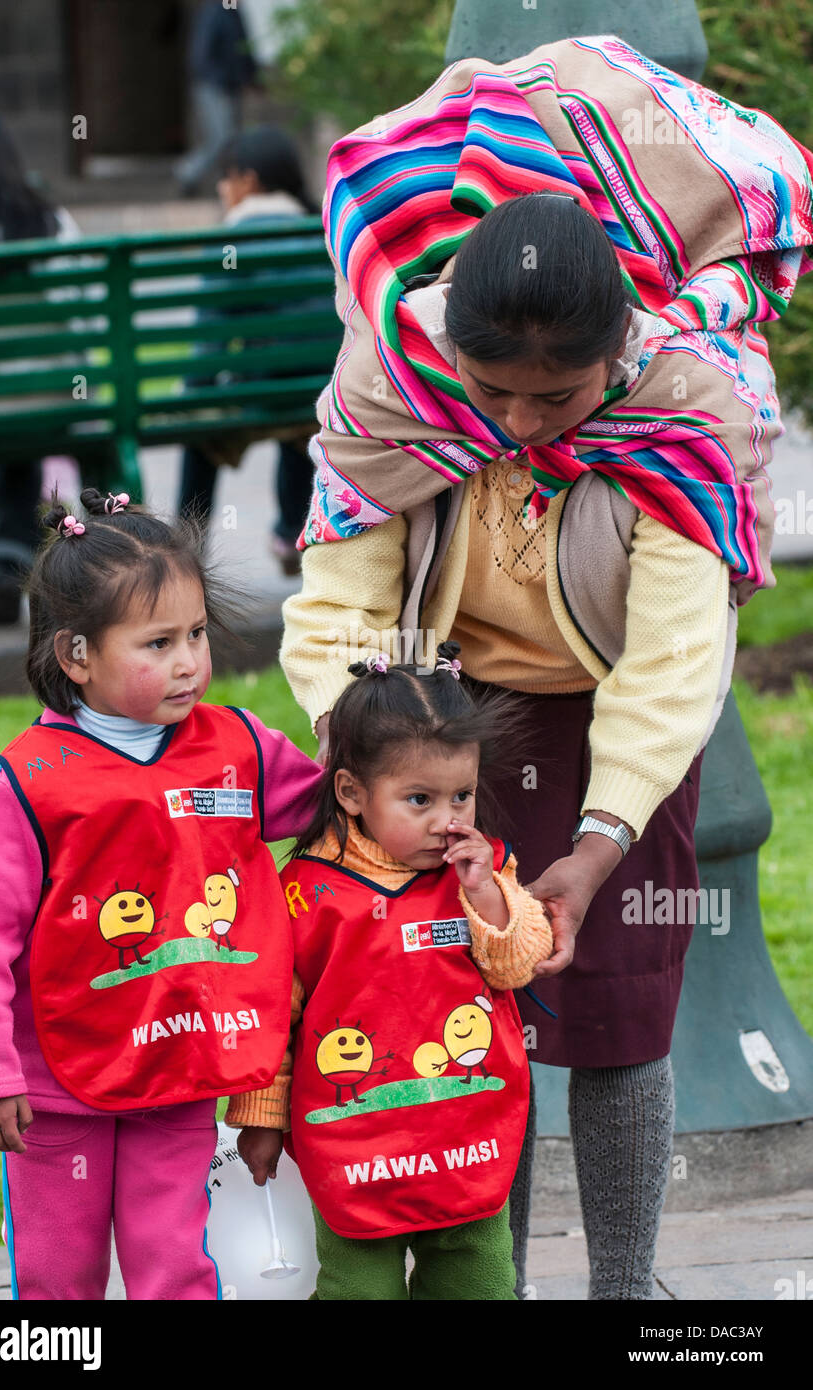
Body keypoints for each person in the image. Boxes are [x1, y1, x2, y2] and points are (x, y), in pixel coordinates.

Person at [275, 36, 813, 1298]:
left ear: (614, 350)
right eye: (494, 393)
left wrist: (597, 837)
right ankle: (492, 1286)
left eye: (556, 397)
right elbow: (341, 593)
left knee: (620, 1021)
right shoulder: (396, 377)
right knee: (466, 1024)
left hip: (618, 735)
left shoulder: (686, 402)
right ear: (447, 353)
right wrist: (388, 762)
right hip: (436, 729)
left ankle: (622, 1296)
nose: (518, 424)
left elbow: (678, 650)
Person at [0, 487, 324, 1300]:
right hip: (53, 1090)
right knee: (56, 1276)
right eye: (158, 642)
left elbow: (334, 814)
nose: (190, 660)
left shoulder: (239, 748)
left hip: (179, 1068)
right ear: (76, 655)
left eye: (195, 634)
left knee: (175, 1267)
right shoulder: (23, 784)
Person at [230, 642, 555, 1300]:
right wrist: (261, 1118)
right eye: (418, 800)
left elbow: (519, 962)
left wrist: (487, 892)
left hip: (466, 1139)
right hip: (351, 1144)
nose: (448, 820)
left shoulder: (479, 871)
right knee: (359, 1289)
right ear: (351, 791)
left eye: (460, 795)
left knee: (480, 1283)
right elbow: (272, 1013)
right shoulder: (306, 892)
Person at [0, 100, 83, 627]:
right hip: (49, 401)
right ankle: (8, 559)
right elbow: (82, 315)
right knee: (20, 424)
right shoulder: (49, 215)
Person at [178, 126, 320, 575]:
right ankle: (292, 530)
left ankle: (186, 546)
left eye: (226, 177)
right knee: (300, 418)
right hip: (325, 394)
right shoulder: (322, 230)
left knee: (202, 435)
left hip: (266, 394)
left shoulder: (232, 242)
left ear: (250, 180)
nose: (222, 189)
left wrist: (193, 397)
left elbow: (211, 349)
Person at [176, 0, 259, 197]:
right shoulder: (215, 11)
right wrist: (219, 78)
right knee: (221, 137)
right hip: (214, 86)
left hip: (229, 86)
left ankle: (231, 184)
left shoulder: (233, 12)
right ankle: (188, 172)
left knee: (231, 139)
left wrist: (250, 77)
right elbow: (201, 53)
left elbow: (242, 49)